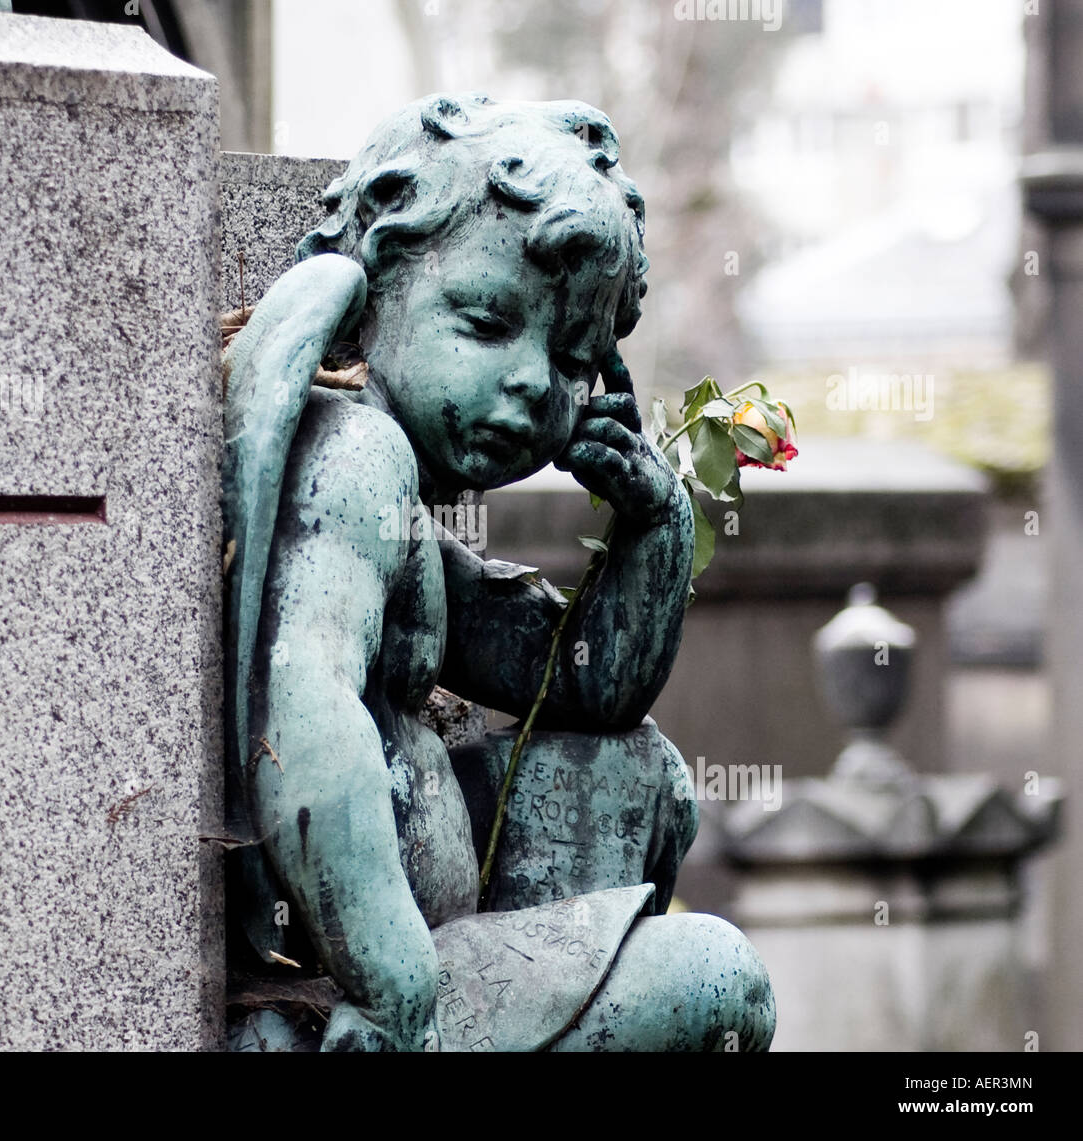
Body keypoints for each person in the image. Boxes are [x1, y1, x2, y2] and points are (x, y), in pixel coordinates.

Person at [222, 93, 775, 1052]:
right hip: (382, 991)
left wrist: (652, 523)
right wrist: (394, 985)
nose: (531, 384)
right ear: (374, 288)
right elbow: (302, 713)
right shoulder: (357, 461)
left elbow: (581, 682)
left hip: (429, 959)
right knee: (720, 976)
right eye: (485, 323)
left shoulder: (407, 512)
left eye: (570, 359)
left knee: (637, 769)